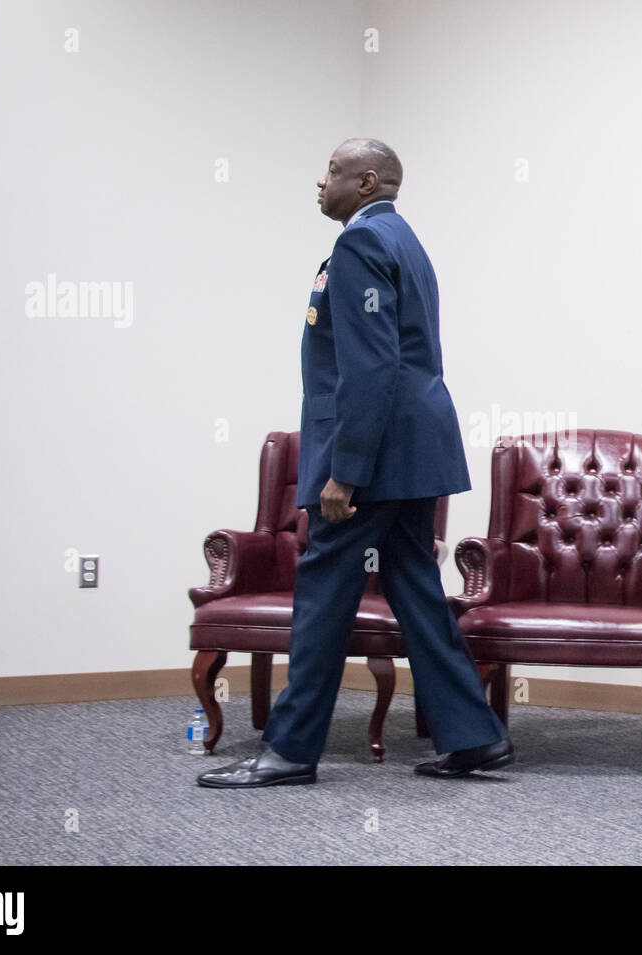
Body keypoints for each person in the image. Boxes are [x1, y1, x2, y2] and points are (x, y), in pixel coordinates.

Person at [199, 139, 512, 788]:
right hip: (415, 451)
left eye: (333, 172)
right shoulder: (405, 241)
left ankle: (288, 749)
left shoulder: (359, 245)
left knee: (322, 595)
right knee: (417, 591)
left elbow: (370, 365)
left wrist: (346, 470)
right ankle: (473, 734)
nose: (320, 181)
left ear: (368, 181)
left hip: (376, 458)